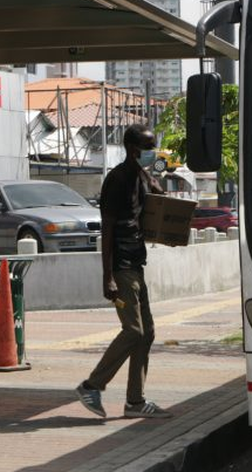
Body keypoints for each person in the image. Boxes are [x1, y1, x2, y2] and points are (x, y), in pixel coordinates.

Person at [75, 124, 173, 419]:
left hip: (136, 264)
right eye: (149, 147)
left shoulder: (141, 177)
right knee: (134, 331)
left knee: (148, 334)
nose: (153, 152)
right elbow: (107, 230)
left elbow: (158, 205)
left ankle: (135, 402)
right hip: (121, 267)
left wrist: (156, 185)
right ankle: (91, 385)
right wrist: (107, 276)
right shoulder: (116, 180)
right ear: (133, 150)